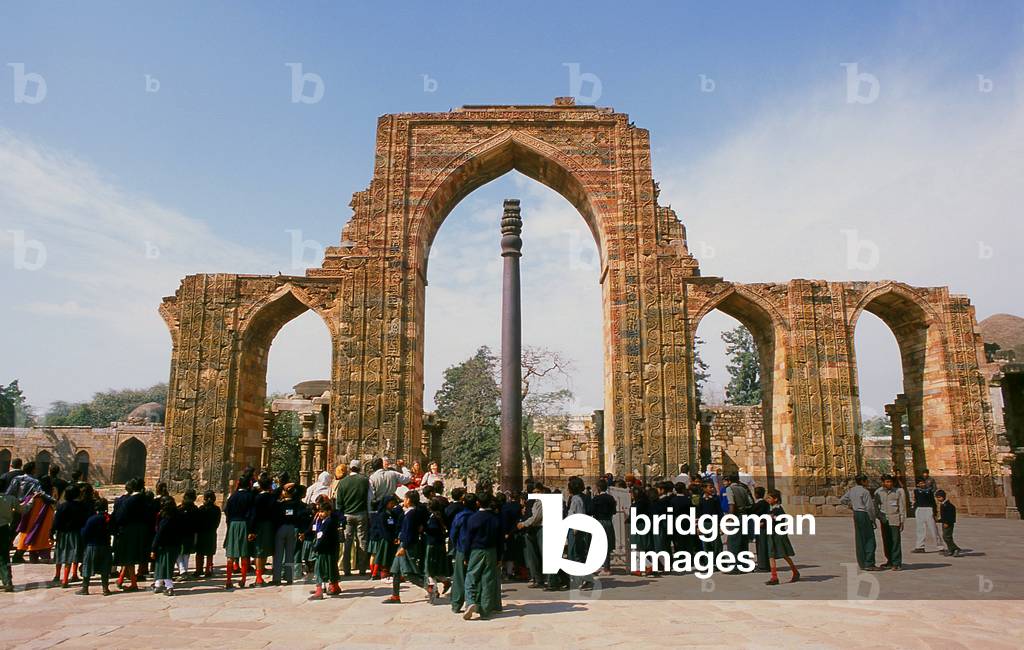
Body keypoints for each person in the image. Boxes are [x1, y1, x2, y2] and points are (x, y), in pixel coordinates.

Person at [382, 490, 430, 604]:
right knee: (396, 571)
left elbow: (409, 532)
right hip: (403, 543)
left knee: (408, 573)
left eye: (405, 498)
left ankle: (429, 587)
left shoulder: (411, 514)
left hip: (406, 546)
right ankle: (395, 596)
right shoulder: (409, 512)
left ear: (408, 500)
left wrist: (404, 546)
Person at [463, 492, 504, 620]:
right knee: (488, 580)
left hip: (476, 550)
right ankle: (485, 610)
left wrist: (466, 555)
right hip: (491, 551)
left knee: (471, 577)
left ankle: (470, 602)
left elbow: (468, 539)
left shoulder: (473, 518)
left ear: (477, 503)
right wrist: (500, 556)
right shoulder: (495, 518)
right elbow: (500, 540)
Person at [334, 459, 371, 577]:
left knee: (347, 542)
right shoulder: (364, 480)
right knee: (362, 541)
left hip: (347, 515)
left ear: (350, 468)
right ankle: (362, 569)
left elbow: (339, 503)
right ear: (360, 468)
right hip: (361, 513)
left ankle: (346, 569)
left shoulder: (343, 482)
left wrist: (340, 518)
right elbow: (370, 498)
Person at [112, 478, 147, 591]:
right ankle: (121, 578)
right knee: (129, 557)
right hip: (140, 530)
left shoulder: (129, 501)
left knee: (128, 557)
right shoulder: (144, 499)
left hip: (128, 531)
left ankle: (133, 583)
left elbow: (120, 517)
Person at [223, 474, 255, 590]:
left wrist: (230, 523)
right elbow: (252, 514)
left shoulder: (232, 497)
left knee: (231, 554)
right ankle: (243, 579)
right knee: (244, 554)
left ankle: (228, 580)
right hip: (244, 525)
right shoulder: (250, 496)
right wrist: (251, 530)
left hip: (233, 524)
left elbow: (227, 511)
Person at [840, 474, 879, 570]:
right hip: (864, 514)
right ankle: (869, 563)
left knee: (860, 538)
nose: (868, 482)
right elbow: (869, 507)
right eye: (866, 481)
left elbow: (842, 500)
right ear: (863, 481)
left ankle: (862, 562)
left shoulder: (852, 490)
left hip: (856, 514)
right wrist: (873, 520)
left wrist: (851, 505)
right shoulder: (865, 492)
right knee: (870, 539)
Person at [52, 484, 88, 587]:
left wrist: (52, 532)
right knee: (73, 554)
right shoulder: (82, 506)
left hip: (62, 534)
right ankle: (69, 577)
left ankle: (57, 575)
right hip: (76, 533)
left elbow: (56, 521)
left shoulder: (62, 506)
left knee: (60, 553)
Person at [308, 499, 343, 600]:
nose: (320, 514)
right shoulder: (326, 521)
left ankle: (319, 592)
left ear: (329, 511)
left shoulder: (329, 522)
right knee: (331, 569)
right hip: (330, 550)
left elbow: (323, 537)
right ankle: (334, 587)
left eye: (323, 511)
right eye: (319, 511)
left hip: (324, 550)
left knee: (320, 570)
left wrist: (316, 547)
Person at [763, 489, 800, 585]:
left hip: (778, 535)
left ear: (775, 499)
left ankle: (795, 571)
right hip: (771, 534)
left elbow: (783, 520)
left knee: (784, 554)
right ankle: (774, 577)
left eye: (769, 498)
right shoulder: (770, 508)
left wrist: (773, 518)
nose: (767, 499)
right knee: (771, 555)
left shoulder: (779, 509)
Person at [449, 493, 478, 613]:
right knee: (475, 577)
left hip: (461, 548)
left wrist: (455, 545)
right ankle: (473, 602)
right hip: (476, 549)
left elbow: (453, 534)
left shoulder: (460, 516)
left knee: (459, 577)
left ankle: (456, 604)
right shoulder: (477, 516)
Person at [77, 498, 112, 596]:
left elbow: (85, 533)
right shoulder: (109, 518)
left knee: (87, 567)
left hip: (92, 545)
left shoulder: (92, 519)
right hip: (105, 546)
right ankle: (105, 589)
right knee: (105, 568)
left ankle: (85, 588)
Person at [273, 483, 304, 585]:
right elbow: (301, 489)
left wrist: (284, 486)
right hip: (292, 528)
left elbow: (274, 494)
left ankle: (277, 578)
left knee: (278, 554)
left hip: (281, 528)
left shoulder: (279, 504)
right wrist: (294, 485)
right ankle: (289, 577)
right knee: (290, 554)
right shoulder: (296, 504)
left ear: (285, 492)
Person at [875, 475, 906, 570]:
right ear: (883, 482)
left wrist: (902, 520)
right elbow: (876, 506)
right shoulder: (878, 492)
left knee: (895, 541)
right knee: (886, 541)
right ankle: (890, 561)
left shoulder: (899, 492)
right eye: (887, 482)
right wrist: (879, 516)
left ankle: (897, 563)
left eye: (890, 482)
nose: (889, 484)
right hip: (884, 519)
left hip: (894, 518)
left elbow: (902, 507)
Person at [423, 496, 451, 599]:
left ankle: (434, 590)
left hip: (432, 545)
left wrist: (424, 529)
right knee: (435, 569)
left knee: (429, 569)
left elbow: (433, 530)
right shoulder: (441, 516)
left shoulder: (433, 518)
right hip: (440, 544)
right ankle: (444, 581)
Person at [250, 476, 277, 586]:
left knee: (259, 551)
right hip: (270, 525)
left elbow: (254, 515)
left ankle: (258, 578)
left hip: (260, 526)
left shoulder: (258, 498)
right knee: (265, 550)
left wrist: (251, 530)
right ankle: (261, 575)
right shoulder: (273, 498)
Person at [150, 497, 180, 596]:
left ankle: (169, 586)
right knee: (161, 565)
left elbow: (159, 534)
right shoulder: (177, 516)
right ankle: (158, 584)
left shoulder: (166, 519)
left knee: (165, 566)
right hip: (175, 545)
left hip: (165, 546)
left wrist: (153, 548)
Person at [368, 494, 402, 580]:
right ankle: (375, 573)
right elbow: (383, 528)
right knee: (380, 556)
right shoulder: (382, 515)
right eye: (391, 503)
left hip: (391, 538)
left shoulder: (391, 513)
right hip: (384, 538)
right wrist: (389, 537)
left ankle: (386, 571)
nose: (392, 505)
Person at [723, 474, 753, 563]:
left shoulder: (730, 489)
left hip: (736, 515)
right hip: (744, 515)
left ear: (729, 481)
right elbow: (750, 502)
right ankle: (744, 564)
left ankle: (734, 565)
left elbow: (731, 504)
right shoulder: (743, 488)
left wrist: (730, 518)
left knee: (733, 541)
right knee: (743, 541)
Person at [591, 479, 617, 576]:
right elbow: (614, 511)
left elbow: (591, 511)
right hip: (608, 522)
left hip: (599, 522)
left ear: (598, 488)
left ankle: (602, 567)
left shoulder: (596, 499)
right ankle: (607, 567)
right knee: (607, 546)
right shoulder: (611, 498)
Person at [912, 476, 942, 553]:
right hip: (920, 509)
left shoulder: (929, 491)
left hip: (928, 509)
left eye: (923, 482)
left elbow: (933, 502)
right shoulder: (916, 491)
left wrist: (935, 512)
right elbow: (915, 500)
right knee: (920, 529)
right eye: (920, 483)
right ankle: (920, 546)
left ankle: (940, 546)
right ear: (918, 484)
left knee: (933, 528)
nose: (922, 484)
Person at [195, 491, 220, 578]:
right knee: (210, 553)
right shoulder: (217, 509)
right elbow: (217, 522)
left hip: (201, 533)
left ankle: (198, 570)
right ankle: (208, 570)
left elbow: (197, 522)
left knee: (200, 553)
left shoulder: (201, 509)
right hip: (211, 532)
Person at [176, 488, 199, 579]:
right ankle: (184, 570)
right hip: (191, 534)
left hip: (181, 533)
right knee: (186, 553)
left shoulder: (180, 509)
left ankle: (182, 571)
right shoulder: (195, 509)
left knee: (179, 553)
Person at [0, 487, 19, 592]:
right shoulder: (11, 498)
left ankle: (5, 579)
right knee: (4, 555)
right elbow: (22, 510)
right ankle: (7, 581)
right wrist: (30, 502)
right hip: (3, 528)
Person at [750, 486, 771, 572]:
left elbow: (752, 510)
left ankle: (763, 566)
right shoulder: (765, 503)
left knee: (761, 546)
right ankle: (765, 565)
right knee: (762, 545)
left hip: (761, 526)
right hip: (763, 526)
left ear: (756, 494)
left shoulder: (759, 504)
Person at [935, 490, 961, 557]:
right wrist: (939, 520)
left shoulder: (948, 505)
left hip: (948, 523)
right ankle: (951, 550)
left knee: (947, 537)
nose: (938, 499)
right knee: (946, 536)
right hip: (945, 523)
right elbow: (943, 515)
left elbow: (950, 515)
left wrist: (947, 522)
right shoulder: (943, 504)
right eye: (937, 497)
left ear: (943, 497)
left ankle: (956, 549)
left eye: (939, 497)